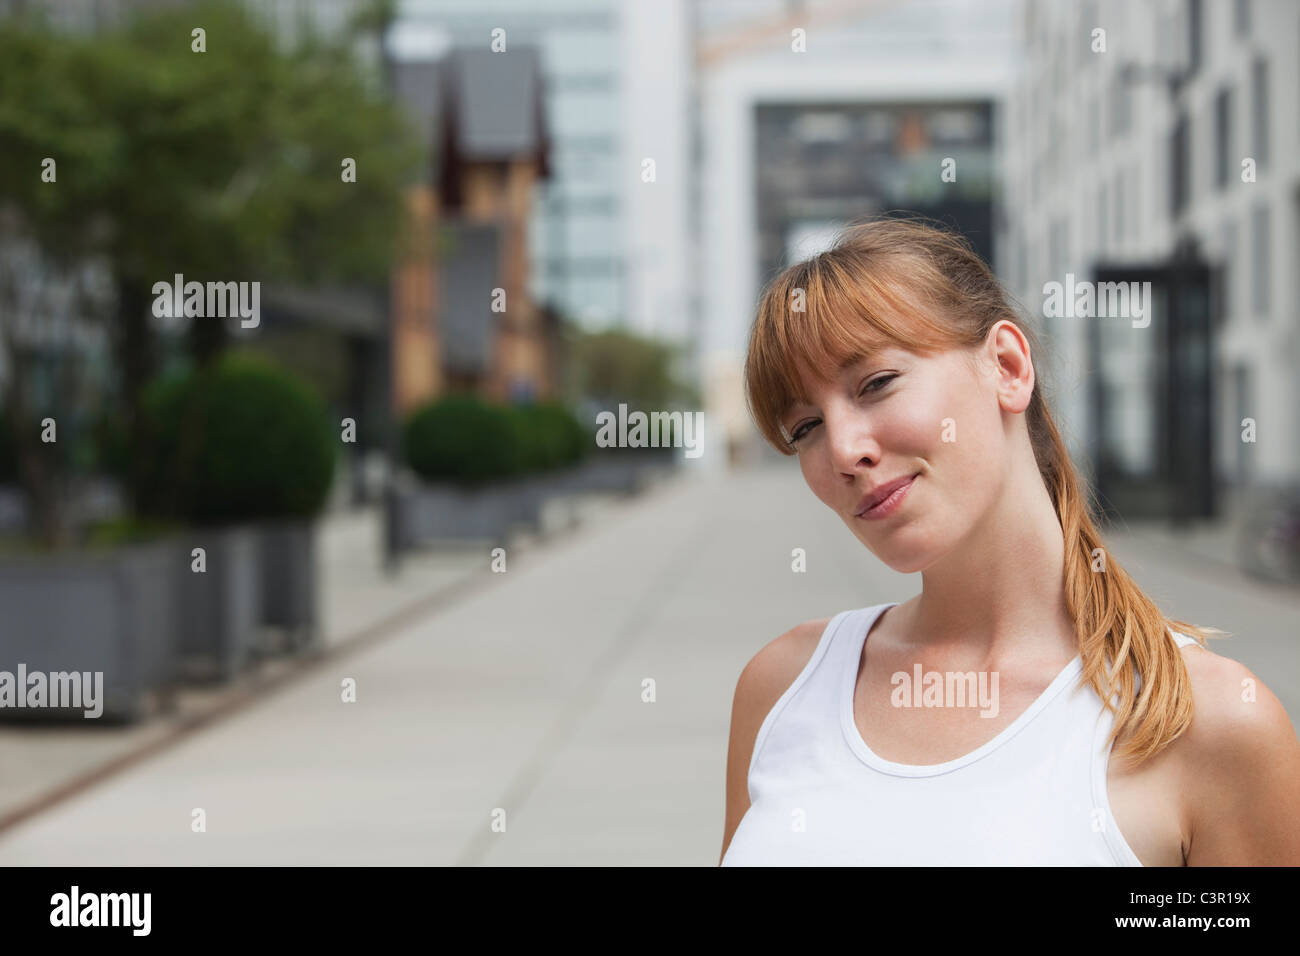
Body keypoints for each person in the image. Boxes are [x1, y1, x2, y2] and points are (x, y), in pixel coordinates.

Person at [720, 217, 1300, 866]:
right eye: (805, 428)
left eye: (876, 384)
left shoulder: (1210, 724)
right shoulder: (783, 689)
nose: (844, 451)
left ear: (1007, 366)